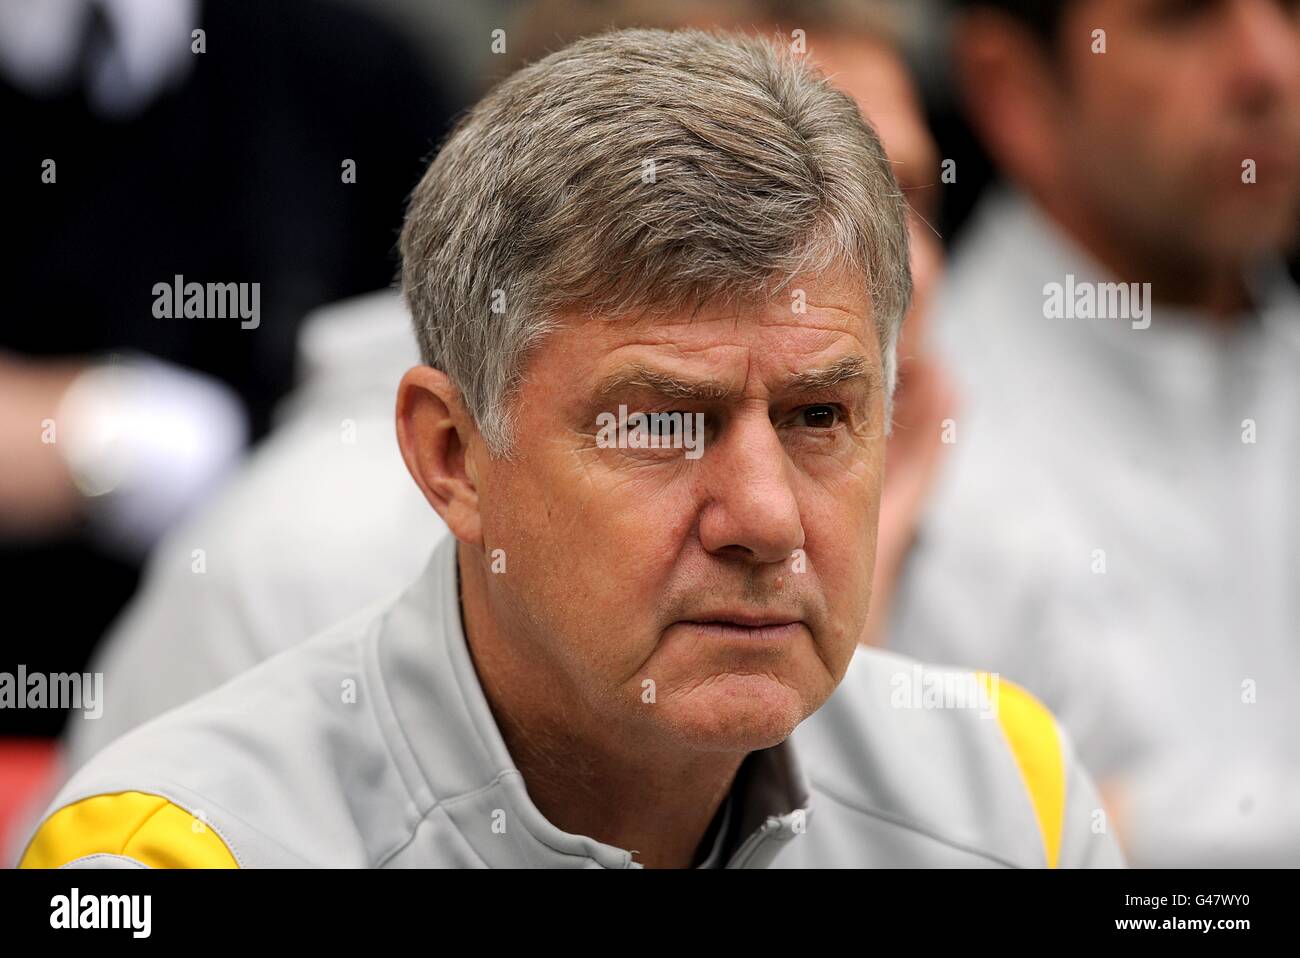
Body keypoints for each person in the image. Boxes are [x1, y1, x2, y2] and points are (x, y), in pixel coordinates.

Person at [20, 29, 1119, 869]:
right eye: (659, 422)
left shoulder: (1004, 792)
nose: (767, 519)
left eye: (818, 417)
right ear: (450, 456)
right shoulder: (170, 848)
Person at [887, 0, 1300, 865]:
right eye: (1182, 17)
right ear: (1014, 90)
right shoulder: (913, 463)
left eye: (1292, 10)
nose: (1269, 66)